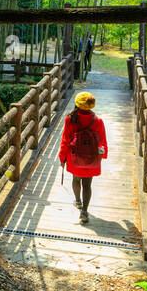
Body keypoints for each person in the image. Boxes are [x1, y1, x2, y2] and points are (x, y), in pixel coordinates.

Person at [59, 91, 107, 224]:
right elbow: (102, 140)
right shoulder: (98, 121)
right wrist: (102, 157)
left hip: (74, 157)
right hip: (91, 158)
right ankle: (84, 211)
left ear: (77, 104)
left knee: (76, 179)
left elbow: (65, 140)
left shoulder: (70, 119)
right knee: (87, 184)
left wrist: (62, 157)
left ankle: (78, 201)